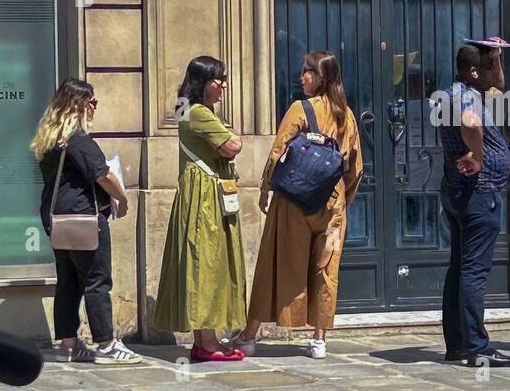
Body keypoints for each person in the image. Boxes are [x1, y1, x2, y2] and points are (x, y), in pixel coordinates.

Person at [241, 50, 364, 359]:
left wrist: (265, 188)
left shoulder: (300, 108)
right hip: (331, 203)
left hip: (294, 201)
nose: (302, 77)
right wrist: (343, 197)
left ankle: (249, 335)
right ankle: (319, 339)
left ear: (321, 77)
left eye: (307, 72)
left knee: (276, 263)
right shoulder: (345, 115)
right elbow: (355, 166)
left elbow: (277, 151)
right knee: (326, 269)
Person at [31, 78, 139, 363]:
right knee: (97, 280)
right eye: (92, 102)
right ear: (78, 105)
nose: (94, 108)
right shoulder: (78, 139)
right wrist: (123, 198)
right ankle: (107, 343)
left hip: (57, 217)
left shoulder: (51, 139)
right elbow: (102, 175)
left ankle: (68, 343)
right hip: (83, 217)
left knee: (68, 280)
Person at [154, 56, 248, 362]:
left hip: (198, 194)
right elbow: (233, 146)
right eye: (217, 80)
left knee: (200, 263)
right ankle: (208, 343)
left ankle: (203, 340)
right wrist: (235, 137)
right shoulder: (199, 114)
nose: (222, 86)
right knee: (209, 263)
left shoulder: (187, 109)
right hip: (206, 198)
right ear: (202, 82)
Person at [435, 41, 510, 367]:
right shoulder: (468, 97)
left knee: (459, 268)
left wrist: (496, 56)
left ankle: (457, 344)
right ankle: (477, 348)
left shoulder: (450, 93)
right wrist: (480, 157)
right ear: (472, 71)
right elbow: (471, 122)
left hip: (458, 192)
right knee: (474, 272)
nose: (493, 74)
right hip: (478, 193)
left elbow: (498, 86)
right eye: (487, 66)